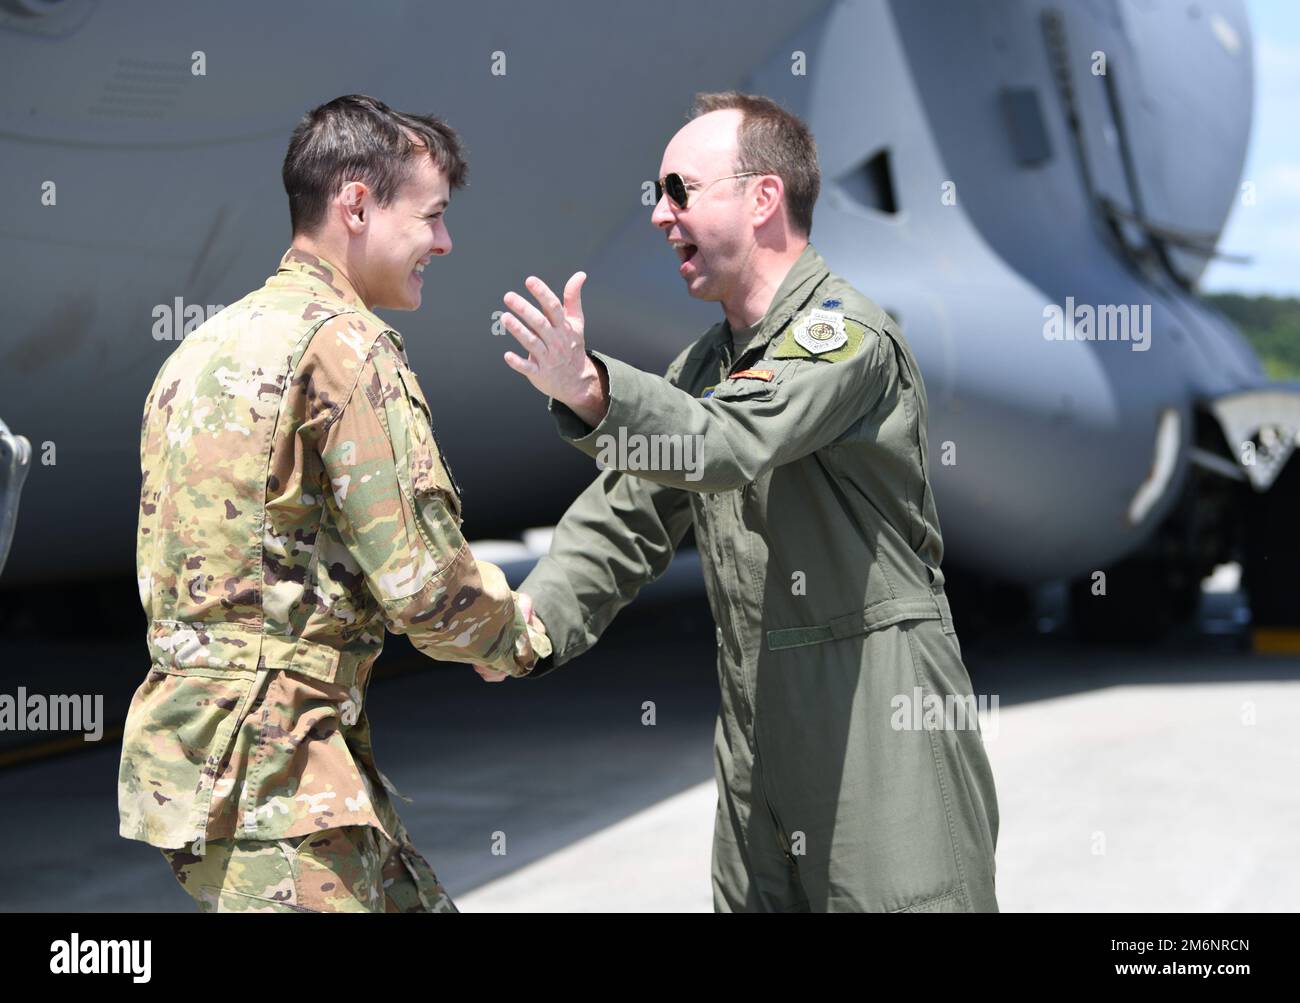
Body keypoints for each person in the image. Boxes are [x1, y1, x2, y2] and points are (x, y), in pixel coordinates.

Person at [490, 91, 999, 912]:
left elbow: (727, 445)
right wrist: (527, 625)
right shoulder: (707, 368)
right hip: (757, 729)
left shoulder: (845, 339)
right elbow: (627, 514)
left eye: (680, 190)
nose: (660, 214)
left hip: (877, 719)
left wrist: (592, 389)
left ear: (764, 198)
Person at [118, 94, 548, 913]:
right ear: (356, 204)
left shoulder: (197, 351)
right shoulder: (345, 349)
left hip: (209, 769)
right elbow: (427, 588)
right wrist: (519, 638)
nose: (445, 242)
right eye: (432, 216)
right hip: (280, 781)